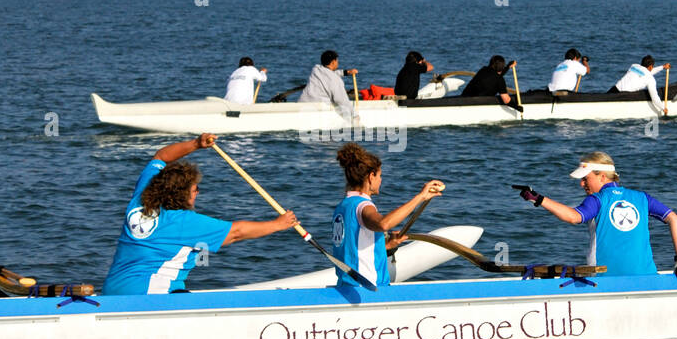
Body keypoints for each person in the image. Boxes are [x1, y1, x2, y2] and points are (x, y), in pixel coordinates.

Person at [102, 133, 297, 294]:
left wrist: (197, 143)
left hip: (112, 292)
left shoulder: (140, 200)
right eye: (195, 189)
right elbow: (236, 232)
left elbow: (161, 157)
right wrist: (279, 224)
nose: (197, 193)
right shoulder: (183, 222)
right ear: (182, 193)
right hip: (150, 298)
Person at [515, 150, 677, 278]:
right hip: (646, 277)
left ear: (602, 177)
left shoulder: (598, 200)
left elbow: (573, 217)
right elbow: (674, 219)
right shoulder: (642, 198)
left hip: (606, 279)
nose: (582, 184)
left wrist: (538, 199)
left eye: (585, 179)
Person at [333, 143, 445, 291]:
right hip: (367, 289)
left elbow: (354, 250)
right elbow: (383, 224)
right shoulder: (363, 206)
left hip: (346, 286)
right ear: (371, 176)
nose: (381, 180)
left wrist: (388, 245)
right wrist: (420, 197)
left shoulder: (343, 206)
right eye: (380, 175)